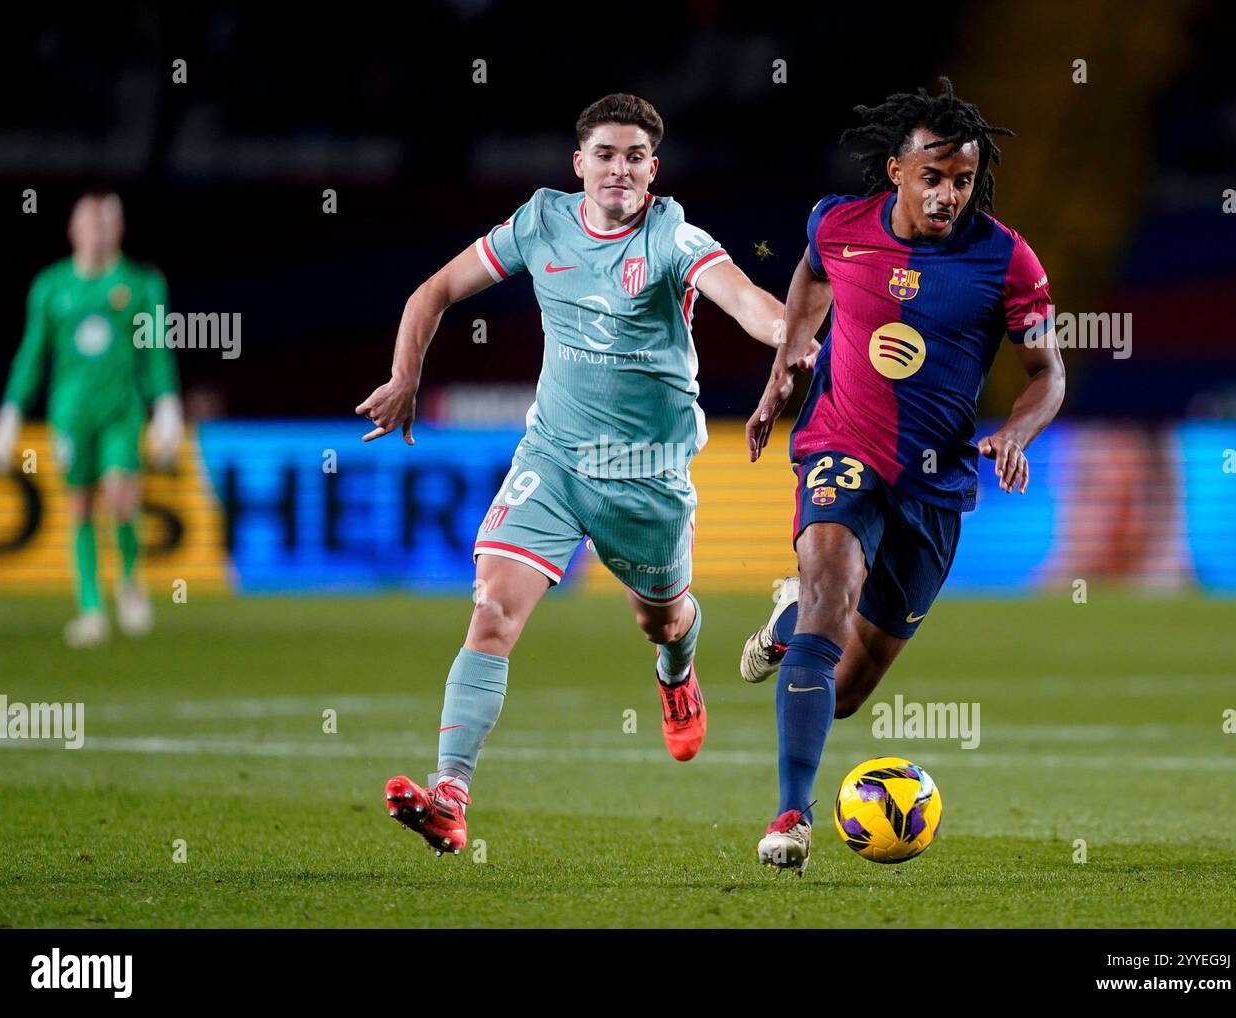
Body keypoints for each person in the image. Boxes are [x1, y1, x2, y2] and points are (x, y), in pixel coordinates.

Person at [359, 93, 803, 856]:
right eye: (605, 154)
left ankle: (676, 671)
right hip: (554, 459)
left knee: (659, 619)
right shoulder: (541, 221)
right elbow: (431, 292)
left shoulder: (671, 235)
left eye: (635, 157)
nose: (619, 169)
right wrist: (405, 376)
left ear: (652, 170)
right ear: (580, 165)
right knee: (494, 610)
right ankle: (451, 796)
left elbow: (746, 300)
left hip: (646, 476)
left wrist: (789, 339)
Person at [741, 80, 1065, 874]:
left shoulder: (1006, 259)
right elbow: (811, 282)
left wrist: (1017, 430)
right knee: (828, 598)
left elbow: (1048, 372)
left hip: (937, 483)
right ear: (895, 170)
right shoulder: (837, 223)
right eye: (935, 176)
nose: (950, 193)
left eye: (964, 178)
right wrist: (782, 375)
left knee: (845, 690)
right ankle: (792, 815)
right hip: (840, 449)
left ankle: (785, 627)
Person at [0, 191, 182, 647]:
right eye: (88, 224)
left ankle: (130, 581)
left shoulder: (140, 285)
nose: (95, 233)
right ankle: (91, 609)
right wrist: (11, 413)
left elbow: (156, 350)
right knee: (79, 504)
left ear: (116, 230)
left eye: (103, 224)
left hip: (121, 410)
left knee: (120, 496)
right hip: (70, 414)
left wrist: (168, 404)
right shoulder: (51, 287)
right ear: (73, 230)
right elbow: (32, 355)